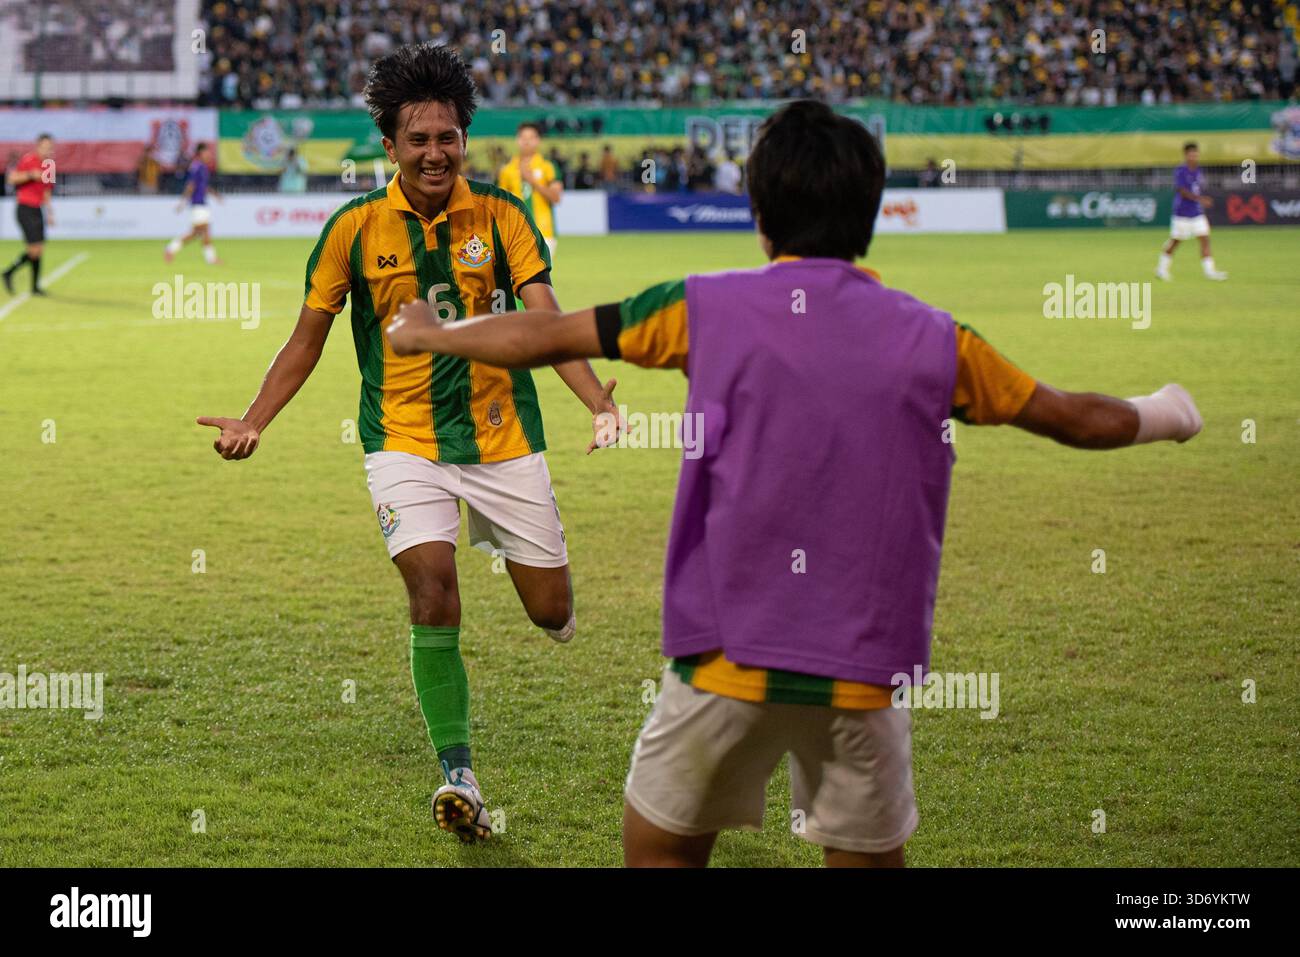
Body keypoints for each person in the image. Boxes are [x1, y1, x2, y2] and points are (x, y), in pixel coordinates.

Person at [384, 100, 1204, 867]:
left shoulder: (703, 308)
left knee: (660, 847)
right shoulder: (938, 340)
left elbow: (544, 332)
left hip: (721, 658)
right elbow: (1072, 417)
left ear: (760, 214)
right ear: (872, 213)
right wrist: (1168, 411)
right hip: (863, 672)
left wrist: (433, 331)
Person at [196, 42, 618, 845]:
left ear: (465, 139)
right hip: (401, 440)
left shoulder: (503, 216)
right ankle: (459, 774)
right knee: (432, 593)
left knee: (551, 611)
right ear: (389, 146)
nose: (434, 152)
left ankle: (549, 603)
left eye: (447, 137)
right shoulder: (352, 229)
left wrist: (596, 398)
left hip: (502, 439)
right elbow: (307, 339)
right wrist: (255, 417)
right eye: (417, 139)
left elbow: (545, 319)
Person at [1157, 142, 1227, 281]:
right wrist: (1200, 199)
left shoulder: (1199, 170)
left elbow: (1197, 188)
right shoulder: (1180, 171)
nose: (1194, 157)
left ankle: (1210, 271)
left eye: (1196, 154)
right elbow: (1182, 191)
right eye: (1191, 154)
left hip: (1197, 212)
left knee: (1205, 239)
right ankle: (1161, 269)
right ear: (1186, 155)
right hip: (1182, 212)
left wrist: (1200, 200)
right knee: (1176, 241)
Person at [497, 122, 562, 257]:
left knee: (540, 278)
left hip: (544, 232)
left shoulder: (547, 166)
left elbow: (556, 197)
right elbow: (500, 204)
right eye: (523, 138)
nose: (527, 142)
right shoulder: (507, 169)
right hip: (515, 233)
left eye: (531, 137)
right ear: (518, 140)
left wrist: (533, 181)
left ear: (538, 140)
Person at [2, 134, 55, 296]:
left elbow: (46, 190)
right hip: (25, 208)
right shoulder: (28, 160)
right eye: (44, 146)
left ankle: (34, 287)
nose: (47, 149)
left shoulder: (50, 165)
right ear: (38, 146)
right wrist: (30, 175)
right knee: (33, 249)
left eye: (50, 147)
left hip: (38, 208)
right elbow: (11, 179)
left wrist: (50, 212)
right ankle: (9, 272)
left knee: (39, 248)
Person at [164, 142, 223, 265]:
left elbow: (203, 186)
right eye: (207, 152)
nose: (209, 155)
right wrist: (183, 202)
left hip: (202, 203)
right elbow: (191, 185)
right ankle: (171, 249)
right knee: (200, 231)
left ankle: (210, 258)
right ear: (200, 153)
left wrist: (215, 194)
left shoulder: (202, 167)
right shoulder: (197, 167)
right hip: (198, 204)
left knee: (199, 232)